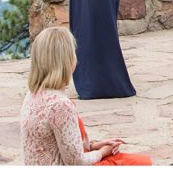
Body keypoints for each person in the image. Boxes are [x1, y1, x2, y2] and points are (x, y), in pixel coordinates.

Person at [20, 26, 153, 165]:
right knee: (141, 163)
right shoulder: (60, 105)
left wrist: (93, 146)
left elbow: (58, 146)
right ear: (67, 61)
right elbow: (76, 162)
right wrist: (102, 152)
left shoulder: (32, 94)